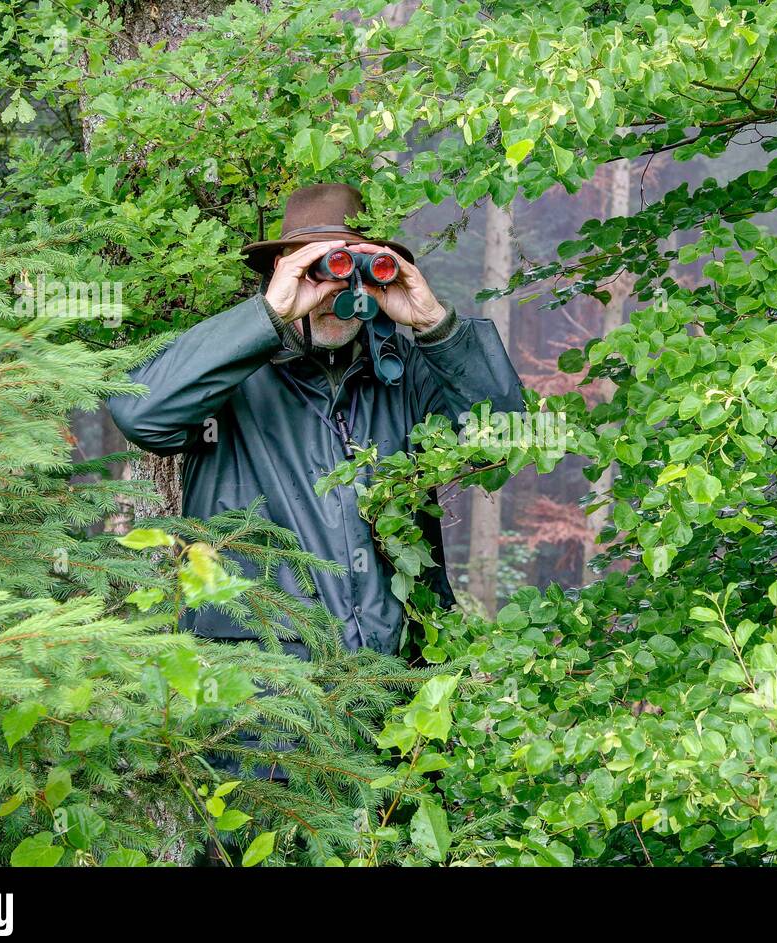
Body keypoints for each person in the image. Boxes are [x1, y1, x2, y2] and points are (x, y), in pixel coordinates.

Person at [109, 183, 524, 659]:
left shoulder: (405, 374)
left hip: (393, 693)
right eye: (317, 269)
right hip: (265, 696)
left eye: (355, 270)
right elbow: (140, 414)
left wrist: (434, 323)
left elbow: (502, 446)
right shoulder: (226, 376)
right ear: (280, 274)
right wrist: (270, 316)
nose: (335, 293)